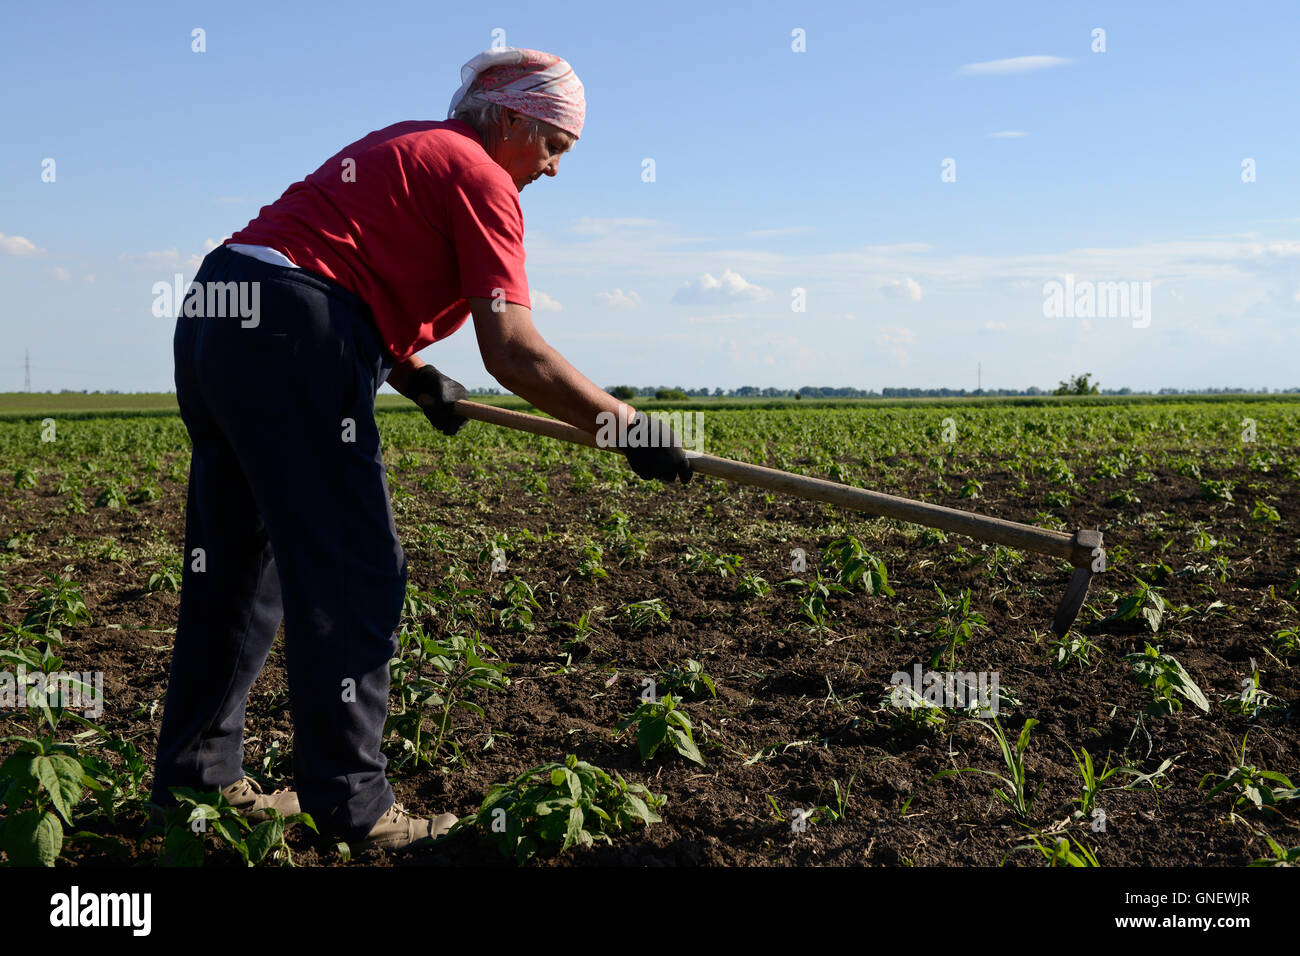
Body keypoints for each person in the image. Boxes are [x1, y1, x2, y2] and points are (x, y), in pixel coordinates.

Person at [150, 47, 692, 853]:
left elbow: (336, 256)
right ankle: (355, 808)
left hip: (220, 312)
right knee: (352, 570)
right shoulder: (479, 175)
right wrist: (623, 425)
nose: (551, 169)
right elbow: (514, 353)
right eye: (553, 145)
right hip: (296, 330)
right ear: (512, 118)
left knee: (236, 563)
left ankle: (198, 782)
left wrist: (412, 373)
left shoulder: (408, 144)